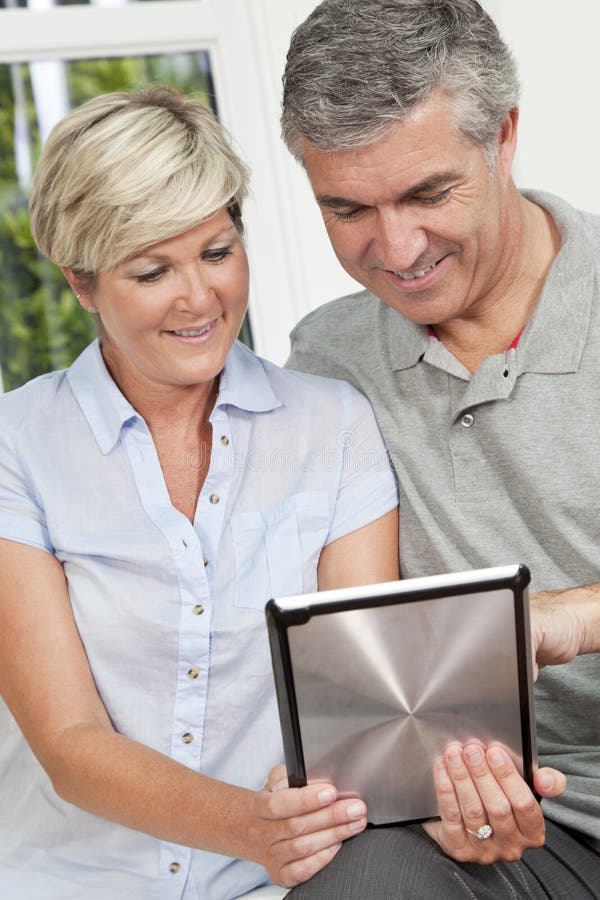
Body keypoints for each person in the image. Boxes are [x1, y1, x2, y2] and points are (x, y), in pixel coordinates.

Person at [0, 86, 401, 900]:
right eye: (152, 271)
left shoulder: (334, 428)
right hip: (66, 881)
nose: (199, 298)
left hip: (283, 885)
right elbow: (70, 741)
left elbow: (360, 700)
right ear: (82, 284)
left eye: (218, 253)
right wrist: (251, 827)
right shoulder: (17, 445)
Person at [281, 0, 600, 897]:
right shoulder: (328, 363)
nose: (397, 249)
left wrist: (567, 618)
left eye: (428, 194)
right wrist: (403, 786)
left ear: (503, 136)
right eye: (348, 208)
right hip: (512, 822)